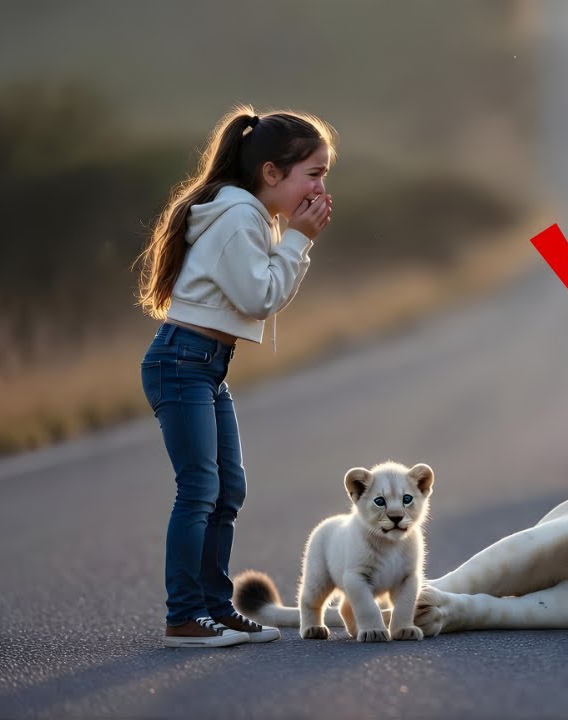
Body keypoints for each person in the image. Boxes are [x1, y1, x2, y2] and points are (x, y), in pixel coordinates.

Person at [135, 105, 335, 647]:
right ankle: (183, 616)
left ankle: (216, 609)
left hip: (204, 366)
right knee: (199, 489)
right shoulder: (238, 214)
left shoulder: (249, 215)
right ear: (272, 172)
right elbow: (259, 297)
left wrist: (294, 239)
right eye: (313, 174)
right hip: (182, 362)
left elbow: (262, 297)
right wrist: (299, 239)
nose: (320, 187)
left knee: (228, 490)